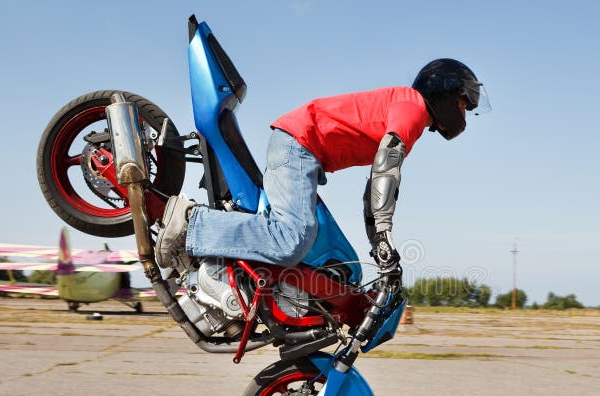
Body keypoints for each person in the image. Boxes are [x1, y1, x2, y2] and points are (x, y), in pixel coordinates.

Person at [154, 58, 491, 283]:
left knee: (312, 247)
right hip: (300, 145)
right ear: (445, 92)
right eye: (463, 103)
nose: (463, 113)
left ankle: (209, 255)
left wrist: (379, 244)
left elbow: (375, 186)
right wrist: (384, 234)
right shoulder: (413, 107)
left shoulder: (407, 113)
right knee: (292, 237)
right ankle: (191, 222)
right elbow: (386, 171)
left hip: (301, 150)